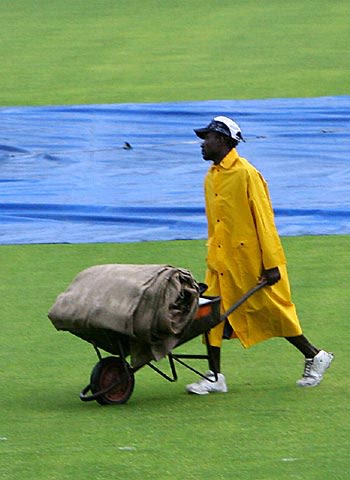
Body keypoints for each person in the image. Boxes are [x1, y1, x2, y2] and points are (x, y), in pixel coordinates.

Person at [186, 116, 334, 395]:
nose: (202, 144)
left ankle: (315, 355)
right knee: (209, 313)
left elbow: (264, 221)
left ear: (223, 141)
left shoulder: (246, 174)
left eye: (207, 138)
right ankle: (215, 375)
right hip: (220, 262)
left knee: (272, 312)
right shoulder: (211, 176)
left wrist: (272, 264)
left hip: (250, 263)